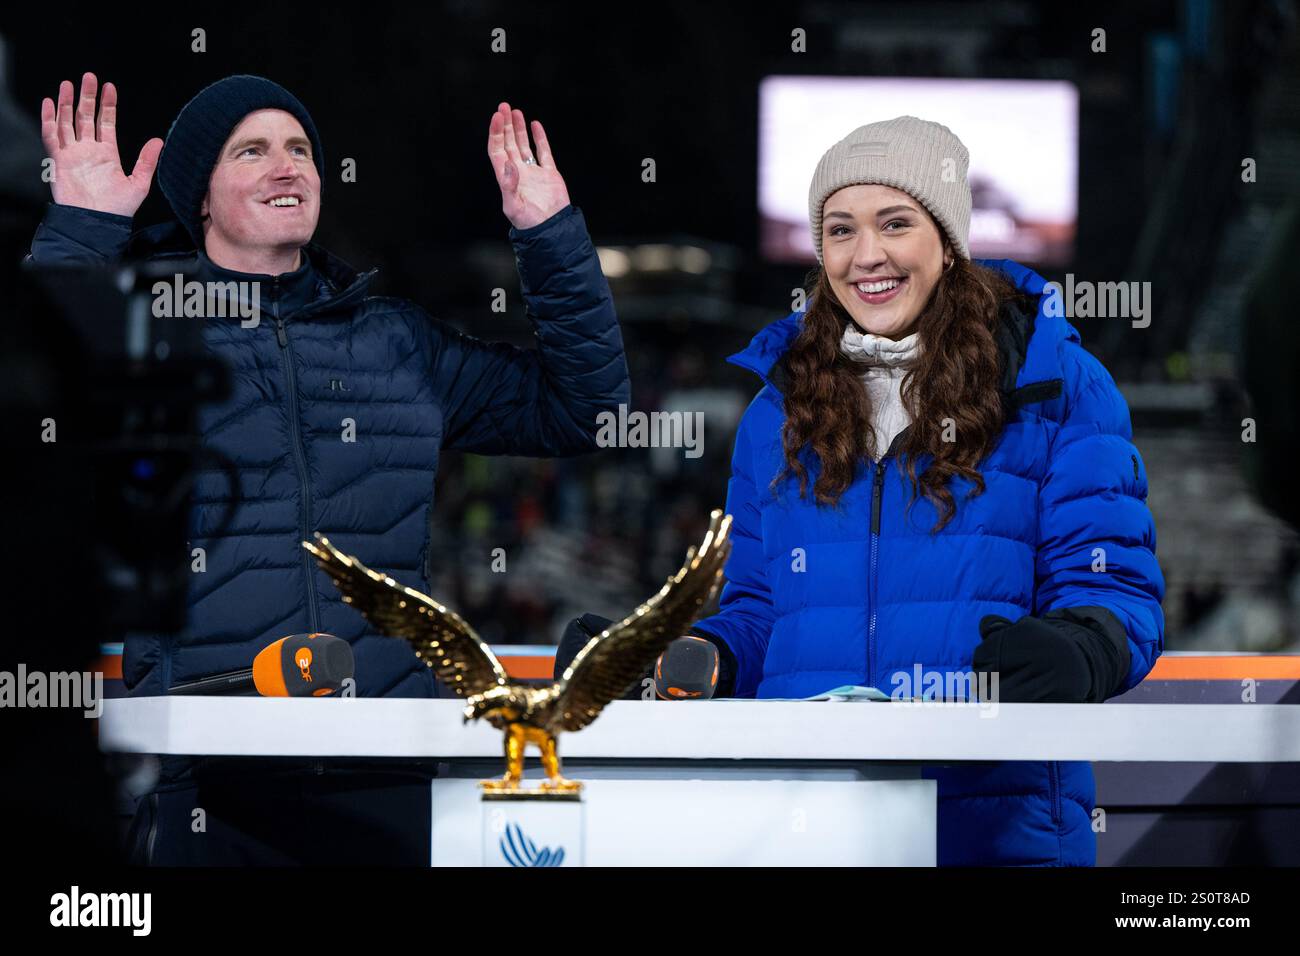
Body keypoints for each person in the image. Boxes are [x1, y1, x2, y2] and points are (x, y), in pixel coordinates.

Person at [28, 72, 630, 863]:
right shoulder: (146, 333)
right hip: (210, 772)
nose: (288, 167)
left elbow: (587, 409)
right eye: (253, 151)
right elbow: (30, 431)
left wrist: (549, 237)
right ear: (199, 199)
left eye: (300, 149)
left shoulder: (398, 341)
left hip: (385, 763)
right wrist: (80, 235)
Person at [684, 116, 1165, 866]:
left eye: (895, 223)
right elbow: (760, 615)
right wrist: (691, 655)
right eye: (839, 230)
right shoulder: (776, 410)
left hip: (995, 829)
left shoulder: (1054, 385)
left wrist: (1078, 647)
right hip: (803, 825)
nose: (865, 255)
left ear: (948, 240)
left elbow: (1121, 596)